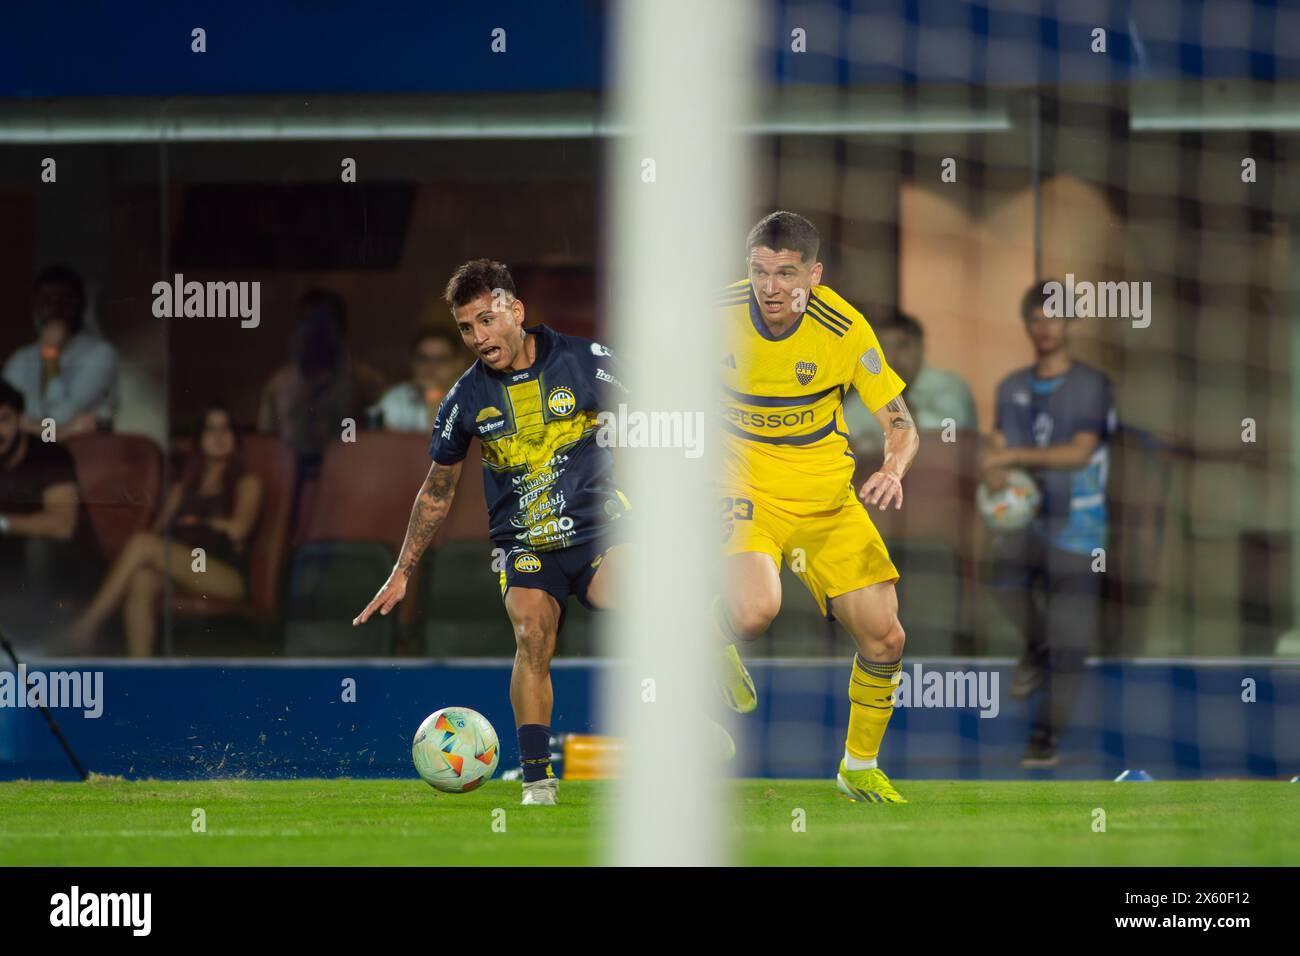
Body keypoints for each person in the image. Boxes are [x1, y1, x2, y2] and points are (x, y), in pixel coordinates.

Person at [353, 259, 752, 806]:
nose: (478, 337)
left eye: (487, 320)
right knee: (531, 636)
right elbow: (437, 491)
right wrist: (401, 571)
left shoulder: (587, 361)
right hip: (525, 544)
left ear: (515, 311)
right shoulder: (465, 400)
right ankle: (538, 780)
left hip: (601, 527)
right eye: (467, 328)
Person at [716, 211, 919, 803]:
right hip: (742, 488)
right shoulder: (712, 316)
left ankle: (857, 768)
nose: (770, 287)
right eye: (759, 272)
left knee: (886, 637)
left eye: (786, 273)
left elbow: (901, 425)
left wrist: (892, 468)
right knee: (755, 611)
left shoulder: (845, 329)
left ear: (815, 275)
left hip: (826, 500)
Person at [983, 281, 1116, 768]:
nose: (1045, 329)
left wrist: (1013, 454)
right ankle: (1035, 645)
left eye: (1054, 319)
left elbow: (1080, 451)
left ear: (1070, 324)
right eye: (1036, 320)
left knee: (1072, 637)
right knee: (1001, 579)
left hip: (1079, 528)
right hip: (1024, 522)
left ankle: (1046, 737)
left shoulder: (1092, 384)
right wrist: (992, 467)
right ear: (1026, 326)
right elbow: (994, 447)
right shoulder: (1011, 386)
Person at [67, 402, 263, 657]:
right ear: (199, 440)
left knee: (142, 544)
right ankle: (141, 672)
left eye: (226, 430)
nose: (219, 436)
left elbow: (239, 530)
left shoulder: (247, 482)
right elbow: (159, 534)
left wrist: (201, 523)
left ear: (236, 439)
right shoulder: (182, 489)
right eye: (210, 430)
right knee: (142, 579)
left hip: (221, 573)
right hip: (181, 570)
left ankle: (86, 626)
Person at [0, 380, 100, 649]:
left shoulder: (49, 456)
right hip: (11, 566)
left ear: (21, 420)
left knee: (36, 549)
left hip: (66, 561)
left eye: (4, 420)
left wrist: (4, 523)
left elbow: (62, 526)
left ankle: (34, 650)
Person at [257, 289, 387, 469]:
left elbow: (380, 444)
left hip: (354, 474)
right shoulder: (279, 385)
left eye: (324, 323)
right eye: (307, 322)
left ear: (340, 327)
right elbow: (268, 442)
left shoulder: (369, 382)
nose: (316, 331)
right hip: (291, 473)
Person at [3, 264, 118, 437]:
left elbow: (59, 416)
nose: (55, 309)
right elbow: (8, 424)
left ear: (81, 304)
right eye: (47, 301)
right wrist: (68, 431)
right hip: (29, 459)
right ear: (35, 306)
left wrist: (50, 355)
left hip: (84, 456)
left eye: (65, 301)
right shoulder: (20, 360)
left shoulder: (101, 354)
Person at [841, 311, 976, 455]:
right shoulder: (871, 389)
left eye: (902, 346)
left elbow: (954, 431)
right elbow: (844, 433)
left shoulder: (949, 386)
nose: (892, 357)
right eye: (883, 348)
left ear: (921, 347)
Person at [369, 326, 465, 432]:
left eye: (441, 359)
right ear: (412, 362)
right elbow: (379, 442)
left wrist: (433, 395)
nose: (431, 367)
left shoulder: (474, 397)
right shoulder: (396, 397)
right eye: (423, 359)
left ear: (458, 363)